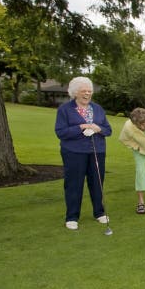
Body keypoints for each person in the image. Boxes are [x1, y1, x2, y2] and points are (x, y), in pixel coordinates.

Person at [54, 76, 113, 230]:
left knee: (97, 182)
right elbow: (60, 132)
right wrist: (81, 127)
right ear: (75, 93)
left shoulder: (97, 108)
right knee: (74, 184)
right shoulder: (65, 109)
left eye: (89, 91)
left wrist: (98, 128)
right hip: (74, 152)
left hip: (97, 151)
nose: (87, 94)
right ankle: (72, 217)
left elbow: (108, 130)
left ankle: (99, 212)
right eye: (83, 91)